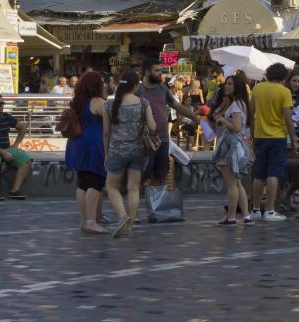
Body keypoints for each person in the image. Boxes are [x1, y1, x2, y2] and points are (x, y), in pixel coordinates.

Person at [105, 70, 155, 238]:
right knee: (133, 188)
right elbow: (153, 127)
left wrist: (106, 153)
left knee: (112, 187)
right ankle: (130, 224)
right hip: (137, 150)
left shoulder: (110, 105)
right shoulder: (143, 103)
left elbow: (106, 133)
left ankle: (122, 217)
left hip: (116, 151)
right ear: (135, 86)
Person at [137, 59, 199, 188]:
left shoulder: (162, 87)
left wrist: (195, 118)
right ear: (147, 72)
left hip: (163, 138)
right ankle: (143, 204)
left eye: (160, 70)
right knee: (144, 176)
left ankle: (155, 203)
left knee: (160, 176)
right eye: (157, 70)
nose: (160, 73)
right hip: (146, 140)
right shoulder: (138, 90)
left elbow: (177, 106)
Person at [250, 62, 299, 222]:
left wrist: (252, 135)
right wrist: (293, 139)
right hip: (277, 137)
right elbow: (287, 117)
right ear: (284, 78)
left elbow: (252, 113)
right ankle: (270, 211)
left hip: (259, 136)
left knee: (258, 174)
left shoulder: (257, 89)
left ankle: (256, 209)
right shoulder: (284, 92)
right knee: (273, 174)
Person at [65, 70, 110, 234]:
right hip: (94, 144)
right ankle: (91, 221)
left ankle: (85, 220)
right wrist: (107, 151)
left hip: (76, 144)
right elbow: (106, 131)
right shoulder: (99, 103)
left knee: (82, 183)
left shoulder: (77, 101)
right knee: (95, 182)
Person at [213, 74, 253, 225]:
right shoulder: (241, 103)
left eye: (230, 84)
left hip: (233, 145)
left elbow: (236, 127)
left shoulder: (236, 105)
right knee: (237, 183)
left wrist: (223, 119)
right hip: (237, 144)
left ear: (237, 87)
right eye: (227, 84)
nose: (226, 86)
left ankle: (231, 217)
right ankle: (246, 216)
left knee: (232, 183)